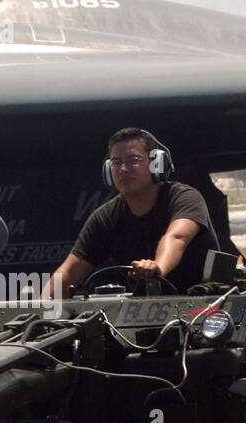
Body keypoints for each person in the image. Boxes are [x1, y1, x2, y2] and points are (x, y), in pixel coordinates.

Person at [45, 127, 220, 299]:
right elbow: (70, 270)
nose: (123, 169)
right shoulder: (107, 217)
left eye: (133, 160)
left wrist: (158, 267)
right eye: (116, 163)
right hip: (143, 312)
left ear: (157, 164)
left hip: (204, 307)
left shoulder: (184, 197)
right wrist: (38, 310)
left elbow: (177, 238)